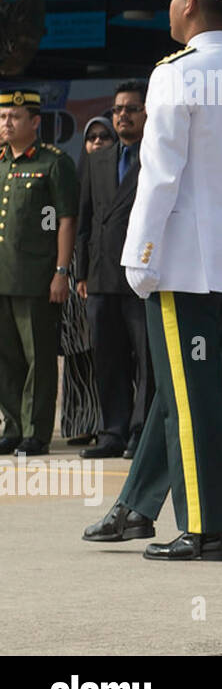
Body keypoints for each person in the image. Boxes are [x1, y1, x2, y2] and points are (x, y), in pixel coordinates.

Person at [81, 0, 222, 559]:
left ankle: (208, 527)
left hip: (185, 262)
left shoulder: (175, 74)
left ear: (190, 3)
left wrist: (139, 255)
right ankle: (138, 506)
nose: (169, 5)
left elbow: (159, 174)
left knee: (193, 397)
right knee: (180, 389)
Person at [77, 87, 153, 460]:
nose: (123, 116)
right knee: (108, 358)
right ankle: (113, 431)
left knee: (145, 358)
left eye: (132, 109)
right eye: (117, 109)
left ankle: (140, 432)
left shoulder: (157, 155)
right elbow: (85, 217)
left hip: (141, 273)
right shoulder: (98, 158)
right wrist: (81, 271)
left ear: (146, 113)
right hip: (101, 274)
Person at [0, 89, 78, 457]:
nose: (6, 123)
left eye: (14, 117)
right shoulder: (1, 163)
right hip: (2, 276)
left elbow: (65, 219)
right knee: (6, 357)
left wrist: (61, 271)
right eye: (2, 117)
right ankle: (13, 426)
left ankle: (36, 431)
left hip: (36, 277)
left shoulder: (53, 163)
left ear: (35, 122)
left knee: (39, 358)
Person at [61, 116, 113, 448]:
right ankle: (81, 422)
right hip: (75, 274)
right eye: (91, 138)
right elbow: (55, 218)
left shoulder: (124, 176)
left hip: (109, 272)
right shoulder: (73, 180)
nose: (96, 143)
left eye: (103, 137)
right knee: (78, 352)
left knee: (111, 351)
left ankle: (112, 423)